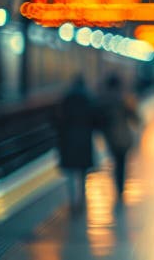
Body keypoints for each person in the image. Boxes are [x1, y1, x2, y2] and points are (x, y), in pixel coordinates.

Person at [53, 76, 96, 213]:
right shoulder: (88, 99)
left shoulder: (66, 99)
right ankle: (81, 200)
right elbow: (95, 120)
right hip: (84, 141)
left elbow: (58, 122)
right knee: (83, 173)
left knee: (71, 174)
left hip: (68, 141)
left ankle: (72, 202)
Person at [97, 74, 140, 205]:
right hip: (124, 137)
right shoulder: (124, 100)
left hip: (111, 137)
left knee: (116, 161)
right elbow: (135, 117)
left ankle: (118, 187)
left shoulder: (104, 101)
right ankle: (120, 188)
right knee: (122, 162)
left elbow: (99, 121)